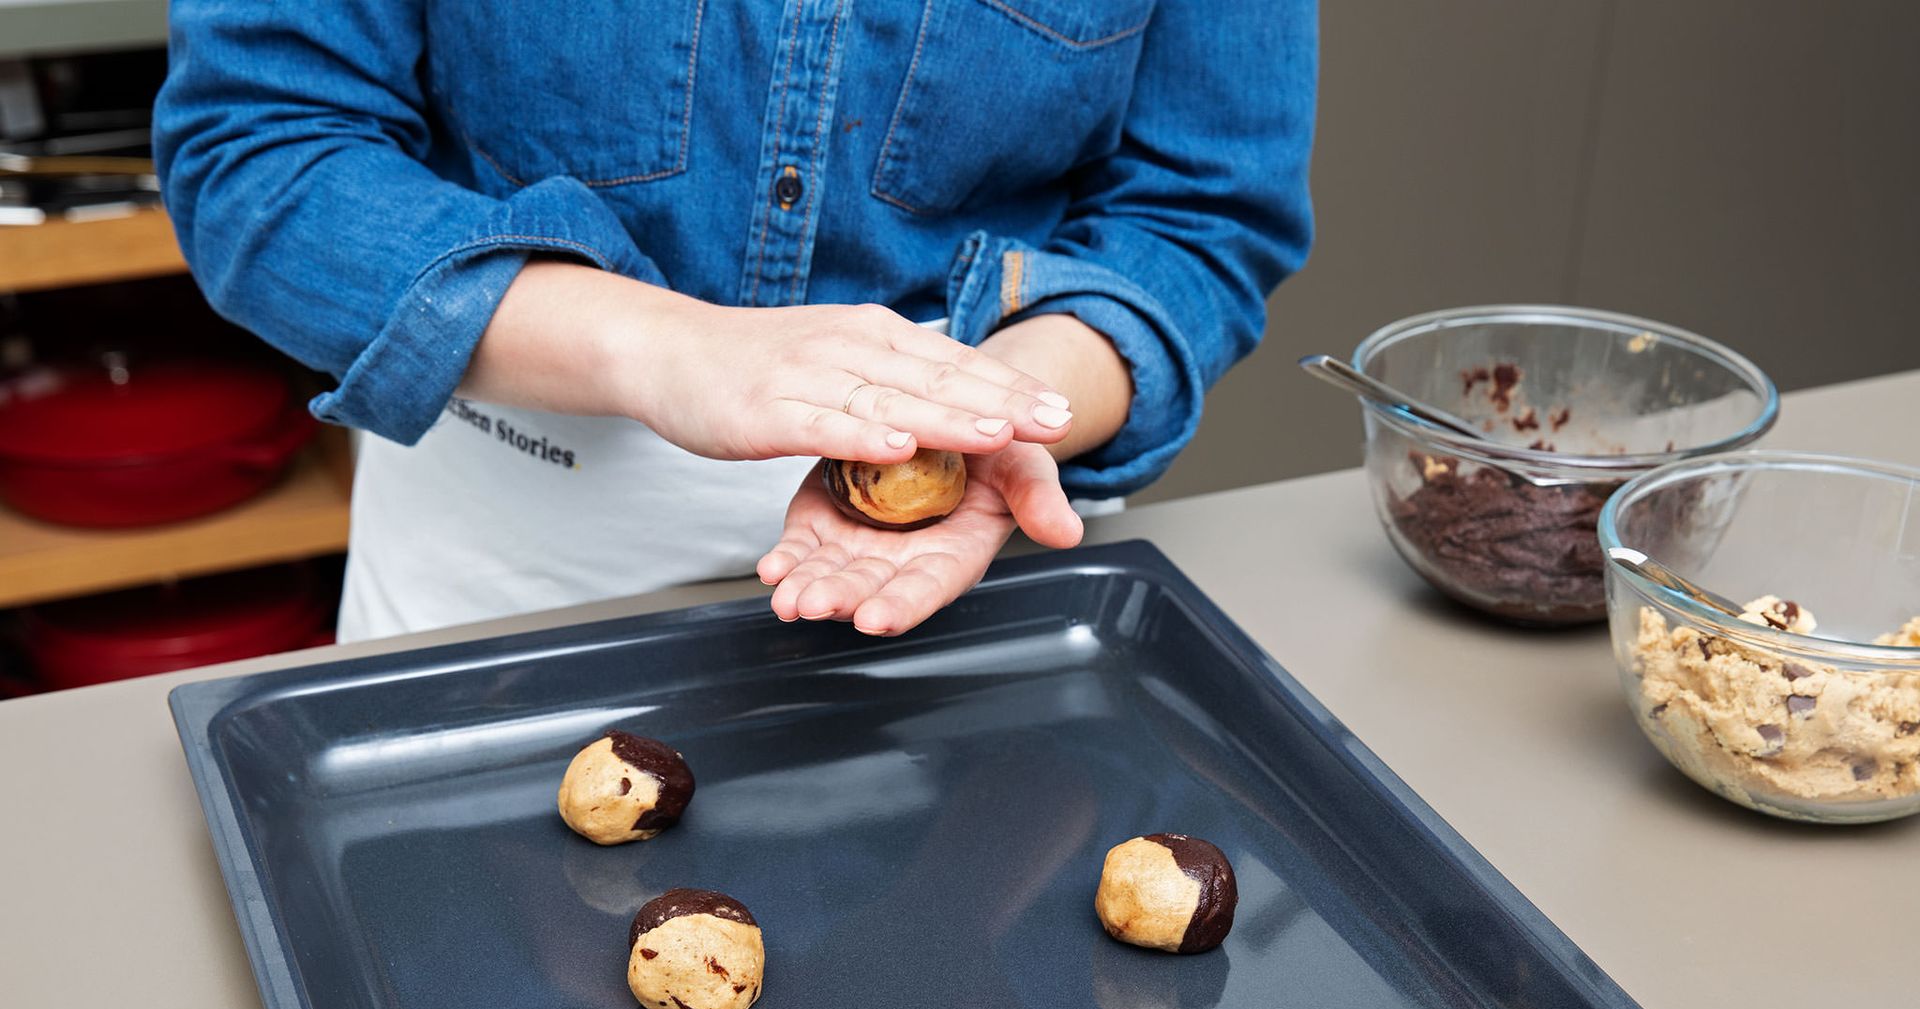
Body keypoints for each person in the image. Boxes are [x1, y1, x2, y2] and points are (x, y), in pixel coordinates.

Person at [154, 1, 1315, 642]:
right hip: (511, 573)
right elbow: (261, 150)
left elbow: (1199, 218)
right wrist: (662, 347)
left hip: (976, 566)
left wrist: (996, 414)